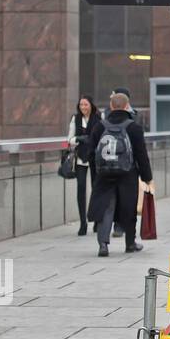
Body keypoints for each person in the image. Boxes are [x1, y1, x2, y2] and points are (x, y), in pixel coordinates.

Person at [86, 92, 152, 257]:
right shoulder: (134, 127)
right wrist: (146, 177)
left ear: (111, 106)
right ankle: (130, 243)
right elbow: (141, 154)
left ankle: (103, 244)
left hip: (104, 175)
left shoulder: (100, 126)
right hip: (127, 174)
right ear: (126, 106)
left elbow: (90, 152)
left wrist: (96, 174)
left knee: (105, 208)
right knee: (128, 208)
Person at [67, 95, 102, 236]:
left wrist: (86, 140)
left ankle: (96, 220)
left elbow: (99, 137)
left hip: (94, 159)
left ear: (91, 105)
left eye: (86, 104)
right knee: (81, 188)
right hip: (81, 159)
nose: (83, 107)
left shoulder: (98, 119)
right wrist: (80, 139)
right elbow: (70, 140)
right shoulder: (75, 119)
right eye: (81, 105)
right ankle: (83, 222)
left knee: (96, 189)